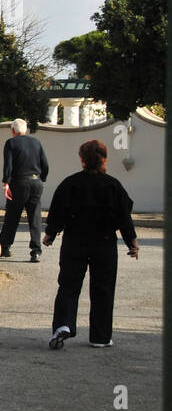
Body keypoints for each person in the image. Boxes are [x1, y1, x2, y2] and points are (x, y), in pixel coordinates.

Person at [43, 140, 138, 350]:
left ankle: (63, 325)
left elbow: (58, 210)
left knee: (68, 286)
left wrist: (51, 234)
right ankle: (100, 337)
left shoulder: (70, 183)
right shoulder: (113, 185)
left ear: (82, 159)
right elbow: (124, 215)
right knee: (103, 289)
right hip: (104, 243)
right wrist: (131, 241)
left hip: (74, 241)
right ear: (104, 159)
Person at [0, 118, 49, 262]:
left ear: (13, 131)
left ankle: (5, 246)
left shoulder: (11, 143)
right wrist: (41, 179)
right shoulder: (36, 142)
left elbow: (8, 166)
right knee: (35, 217)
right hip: (36, 182)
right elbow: (45, 165)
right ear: (25, 129)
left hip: (19, 183)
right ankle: (36, 251)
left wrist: (6, 183)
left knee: (12, 215)